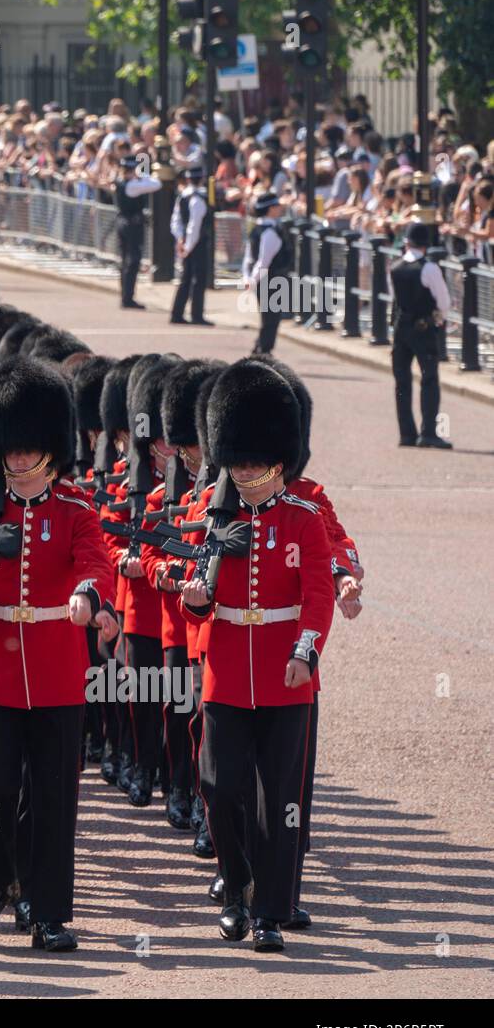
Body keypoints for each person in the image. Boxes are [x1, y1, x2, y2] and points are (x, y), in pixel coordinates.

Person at [0, 357, 116, 953]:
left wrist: (86, 594)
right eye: (10, 450)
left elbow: (97, 563)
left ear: (48, 448)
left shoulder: (73, 511)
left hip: (56, 674)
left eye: (28, 450)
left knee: (52, 797)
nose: (18, 461)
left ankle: (48, 911)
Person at [182, 360, 335, 952]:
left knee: (281, 799)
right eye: (236, 460)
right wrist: (195, 601)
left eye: (252, 460)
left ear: (279, 459)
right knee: (219, 787)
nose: (242, 471)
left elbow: (317, 595)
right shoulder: (210, 517)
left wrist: (306, 651)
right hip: (225, 670)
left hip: (285, 674)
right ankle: (236, 885)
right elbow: (189, 584)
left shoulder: (303, 519)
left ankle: (270, 911)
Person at [389, 221, 453, 448]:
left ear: (407, 243)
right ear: (426, 245)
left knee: (402, 383)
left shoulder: (395, 268)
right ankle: (428, 433)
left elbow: (394, 299)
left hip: (400, 329)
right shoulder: (429, 268)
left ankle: (406, 434)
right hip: (424, 329)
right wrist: (438, 318)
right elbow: (444, 302)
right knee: (429, 380)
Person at [241, 193, 290, 353]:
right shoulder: (271, 232)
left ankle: (260, 347)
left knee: (267, 315)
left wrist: (247, 276)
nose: (279, 209)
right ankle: (263, 350)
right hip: (272, 278)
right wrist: (252, 280)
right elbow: (264, 261)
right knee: (271, 318)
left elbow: (249, 258)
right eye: (276, 206)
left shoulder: (256, 229)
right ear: (270, 209)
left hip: (262, 279)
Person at [113, 154, 161, 308]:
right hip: (132, 225)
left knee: (125, 260)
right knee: (132, 261)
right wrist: (144, 174)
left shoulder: (121, 182)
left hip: (122, 222)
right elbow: (156, 184)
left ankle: (126, 296)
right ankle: (128, 297)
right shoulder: (132, 185)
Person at [170, 163, 211, 325]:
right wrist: (187, 246)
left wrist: (180, 239)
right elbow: (194, 227)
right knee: (197, 280)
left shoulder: (182, 197)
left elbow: (176, 221)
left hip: (186, 243)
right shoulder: (198, 200)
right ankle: (196, 314)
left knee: (185, 279)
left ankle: (177, 313)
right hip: (196, 244)